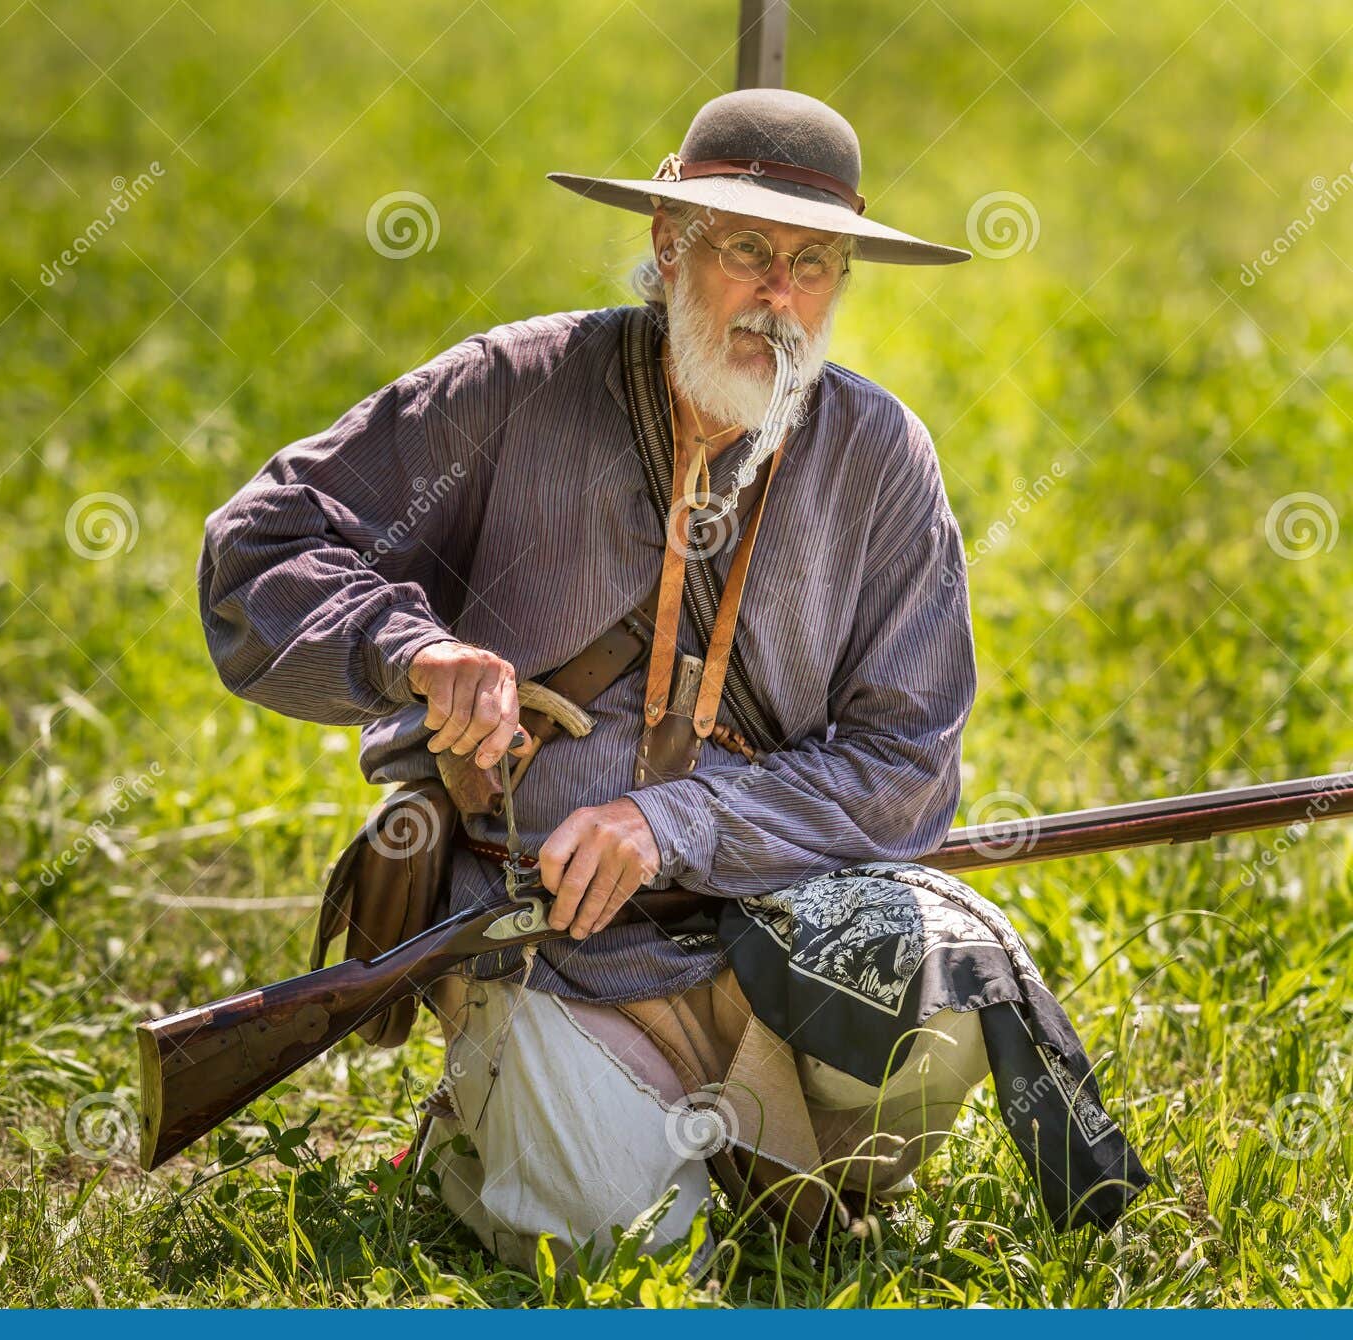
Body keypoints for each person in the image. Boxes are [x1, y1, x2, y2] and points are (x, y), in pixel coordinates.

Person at [198, 88, 1146, 1275]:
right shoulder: (515, 387)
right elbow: (260, 549)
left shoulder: (879, 456)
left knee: (950, 1016)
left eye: (814, 263)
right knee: (623, 1252)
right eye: (746, 249)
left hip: (776, 927)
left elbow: (905, 769)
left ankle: (729, 1152)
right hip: (552, 942)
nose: (778, 296)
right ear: (667, 244)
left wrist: (670, 822)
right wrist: (411, 647)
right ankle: (533, 1119)